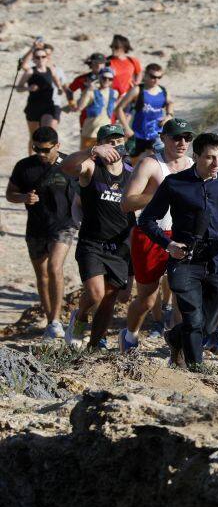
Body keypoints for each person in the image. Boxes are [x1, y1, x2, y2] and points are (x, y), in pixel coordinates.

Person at [139, 133, 218, 369]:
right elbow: (147, 220)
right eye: (210, 158)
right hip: (184, 259)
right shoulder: (175, 183)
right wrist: (168, 245)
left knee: (208, 320)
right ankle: (196, 370)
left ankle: (176, 337)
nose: (216, 163)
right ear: (196, 157)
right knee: (193, 318)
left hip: (217, 258)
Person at [119, 119, 195, 351]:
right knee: (147, 299)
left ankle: (178, 350)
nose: (182, 142)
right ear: (163, 138)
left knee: (184, 296)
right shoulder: (150, 164)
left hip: (182, 235)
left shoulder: (193, 164)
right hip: (152, 234)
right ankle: (129, 335)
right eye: (176, 137)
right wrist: (161, 196)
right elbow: (126, 203)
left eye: (187, 138)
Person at [62, 126, 134, 349]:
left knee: (110, 298)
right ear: (102, 144)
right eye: (109, 141)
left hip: (120, 244)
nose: (115, 145)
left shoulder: (132, 174)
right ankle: (80, 317)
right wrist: (92, 150)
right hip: (92, 241)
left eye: (118, 140)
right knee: (96, 293)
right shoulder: (91, 166)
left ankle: (95, 343)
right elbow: (67, 166)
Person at [7, 126, 78, 340]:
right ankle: (51, 322)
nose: (40, 154)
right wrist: (23, 198)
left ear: (57, 146)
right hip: (36, 227)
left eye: (45, 150)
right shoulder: (24, 166)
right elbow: (10, 193)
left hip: (64, 225)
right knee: (42, 276)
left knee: (55, 267)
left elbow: (84, 191)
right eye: (36, 148)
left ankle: (57, 320)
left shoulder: (70, 165)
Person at [16, 40, 64, 133]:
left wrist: (59, 88)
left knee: (46, 132)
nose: (41, 59)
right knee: (34, 137)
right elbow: (18, 88)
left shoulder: (51, 70)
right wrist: (28, 88)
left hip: (48, 106)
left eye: (43, 56)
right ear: (33, 59)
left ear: (47, 58)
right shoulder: (30, 71)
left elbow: (57, 81)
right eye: (37, 57)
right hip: (34, 106)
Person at [115, 63, 171, 142]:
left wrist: (169, 115)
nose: (156, 80)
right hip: (137, 135)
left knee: (160, 154)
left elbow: (170, 103)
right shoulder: (137, 90)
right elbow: (119, 109)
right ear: (146, 75)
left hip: (157, 135)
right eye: (153, 77)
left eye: (159, 77)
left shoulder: (163, 91)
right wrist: (126, 128)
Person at [65, 53, 110, 135]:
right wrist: (72, 103)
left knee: (105, 145)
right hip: (87, 117)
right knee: (87, 145)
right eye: (96, 63)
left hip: (106, 118)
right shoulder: (83, 79)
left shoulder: (110, 79)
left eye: (101, 63)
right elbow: (69, 90)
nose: (99, 66)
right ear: (91, 64)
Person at [73, 68, 119, 149]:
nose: (107, 80)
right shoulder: (91, 92)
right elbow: (80, 107)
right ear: (99, 78)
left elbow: (115, 110)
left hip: (105, 134)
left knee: (101, 160)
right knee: (84, 158)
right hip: (90, 132)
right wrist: (87, 90)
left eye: (110, 79)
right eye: (104, 78)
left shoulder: (114, 93)